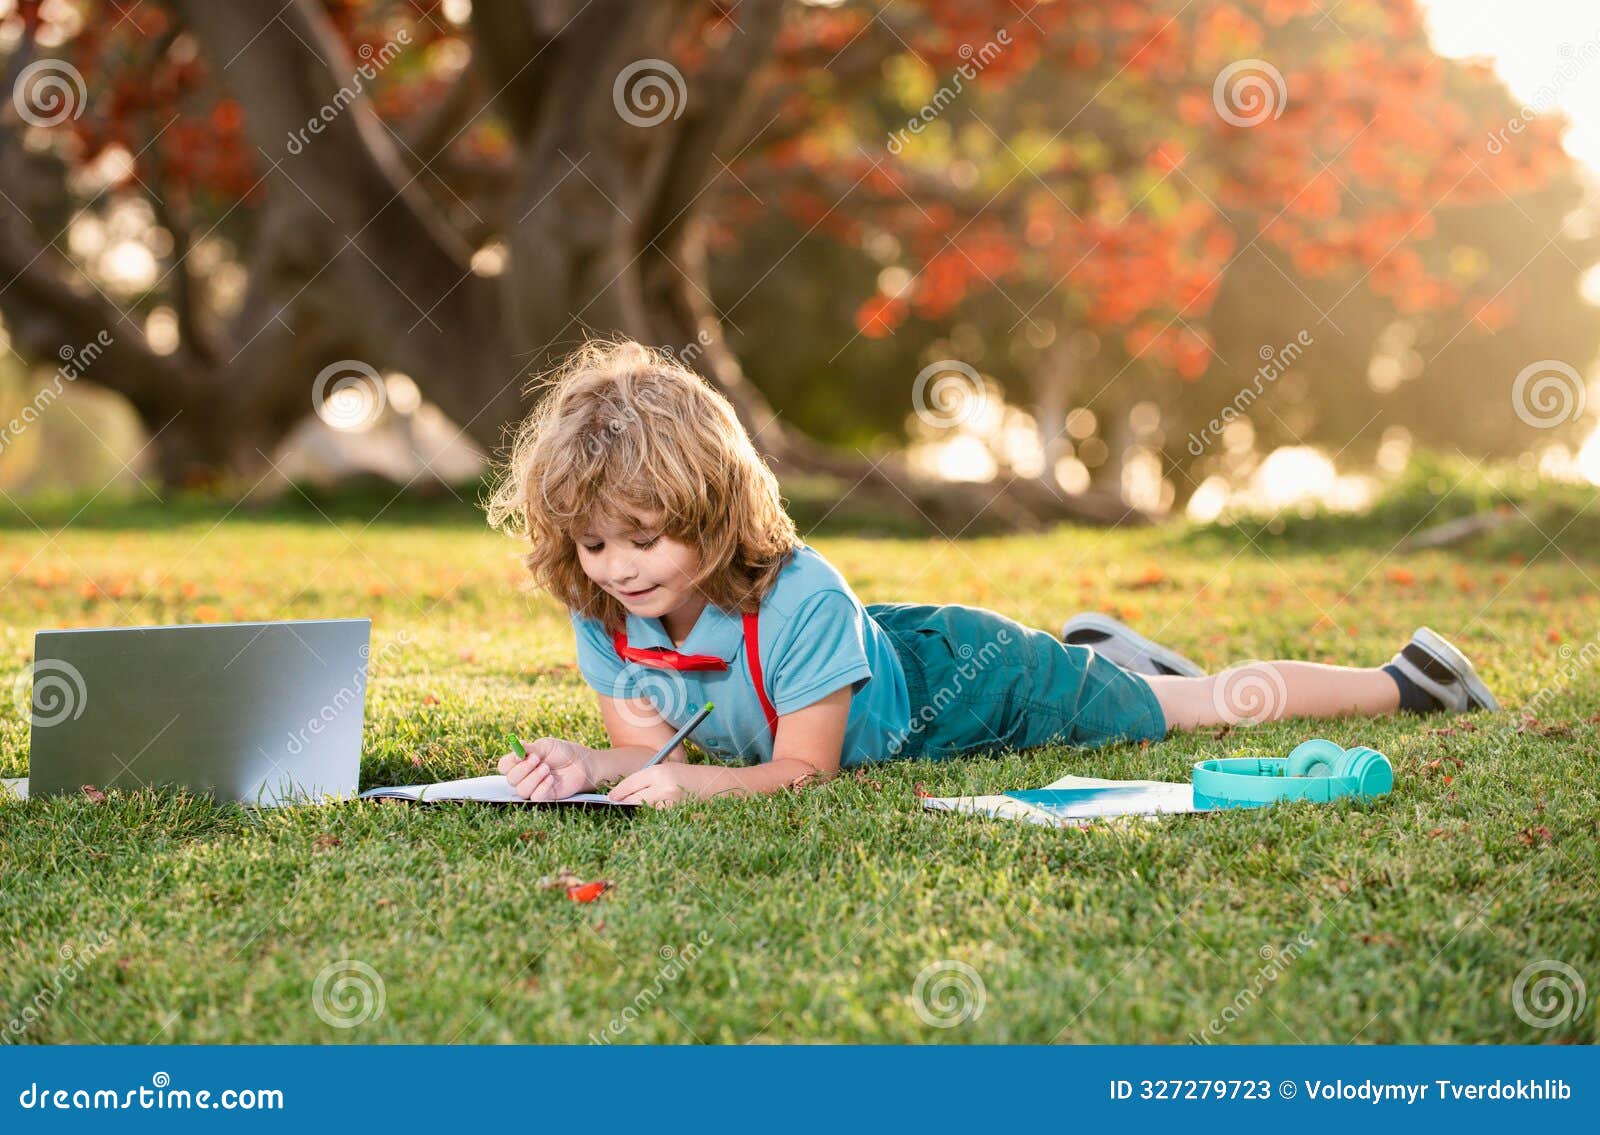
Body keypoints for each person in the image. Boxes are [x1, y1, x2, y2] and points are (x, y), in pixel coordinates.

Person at [484, 338, 1497, 808]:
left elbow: (803, 773)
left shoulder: (797, 599)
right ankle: (1106, 651)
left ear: (715, 513)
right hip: (879, 661)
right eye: (592, 542)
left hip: (978, 684)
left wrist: (691, 791)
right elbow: (657, 749)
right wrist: (588, 764)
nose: (617, 567)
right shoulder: (607, 610)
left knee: (1195, 708)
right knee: (1144, 684)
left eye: (646, 537)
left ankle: (1408, 680)